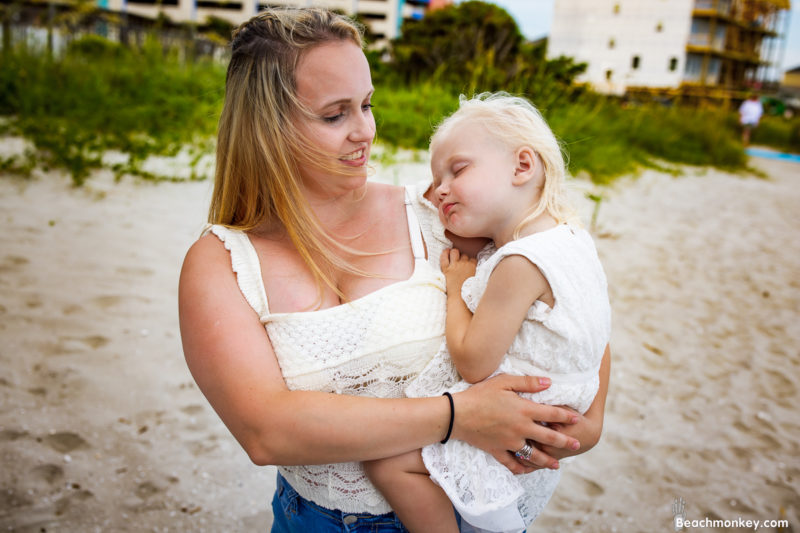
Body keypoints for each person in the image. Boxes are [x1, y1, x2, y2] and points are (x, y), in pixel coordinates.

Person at [178, 8, 610, 532]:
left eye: (367, 104)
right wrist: (460, 416)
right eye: (335, 115)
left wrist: (584, 425)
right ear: (267, 129)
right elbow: (266, 431)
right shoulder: (221, 263)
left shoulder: (437, 214)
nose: (365, 131)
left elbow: (566, 291)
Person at [364, 94, 611, 533]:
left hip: (520, 416)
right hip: (567, 407)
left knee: (388, 462)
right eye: (436, 179)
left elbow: (474, 362)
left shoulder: (519, 264)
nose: (440, 189)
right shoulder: (574, 239)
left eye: (457, 170)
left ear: (522, 166)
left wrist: (457, 287)